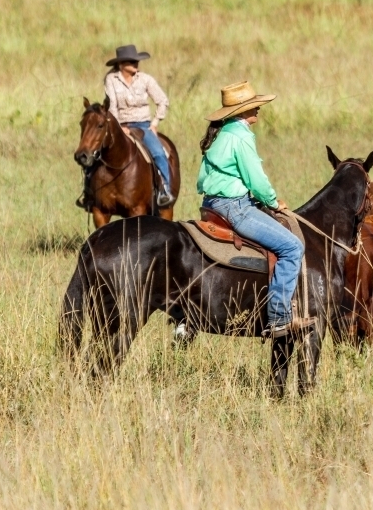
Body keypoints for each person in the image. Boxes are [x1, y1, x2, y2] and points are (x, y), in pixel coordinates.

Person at [197, 81, 315, 338]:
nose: (259, 108)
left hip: (211, 205)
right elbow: (256, 179)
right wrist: (273, 202)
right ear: (241, 111)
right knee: (292, 247)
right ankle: (279, 318)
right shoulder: (241, 136)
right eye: (254, 106)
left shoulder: (222, 133)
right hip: (234, 207)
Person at [103, 44, 175, 206]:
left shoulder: (145, 79)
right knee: (95, 153)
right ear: (121, 64)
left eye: (136, 61)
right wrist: (119, 128)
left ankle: (165, 190)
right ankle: (90, 192)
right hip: (120, 126)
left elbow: (162, 100)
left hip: (143, 125)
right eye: (131, 61)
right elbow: (111, 106)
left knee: (158, 153)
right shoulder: (111, 80)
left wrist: (155, 123)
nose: (135, 64)